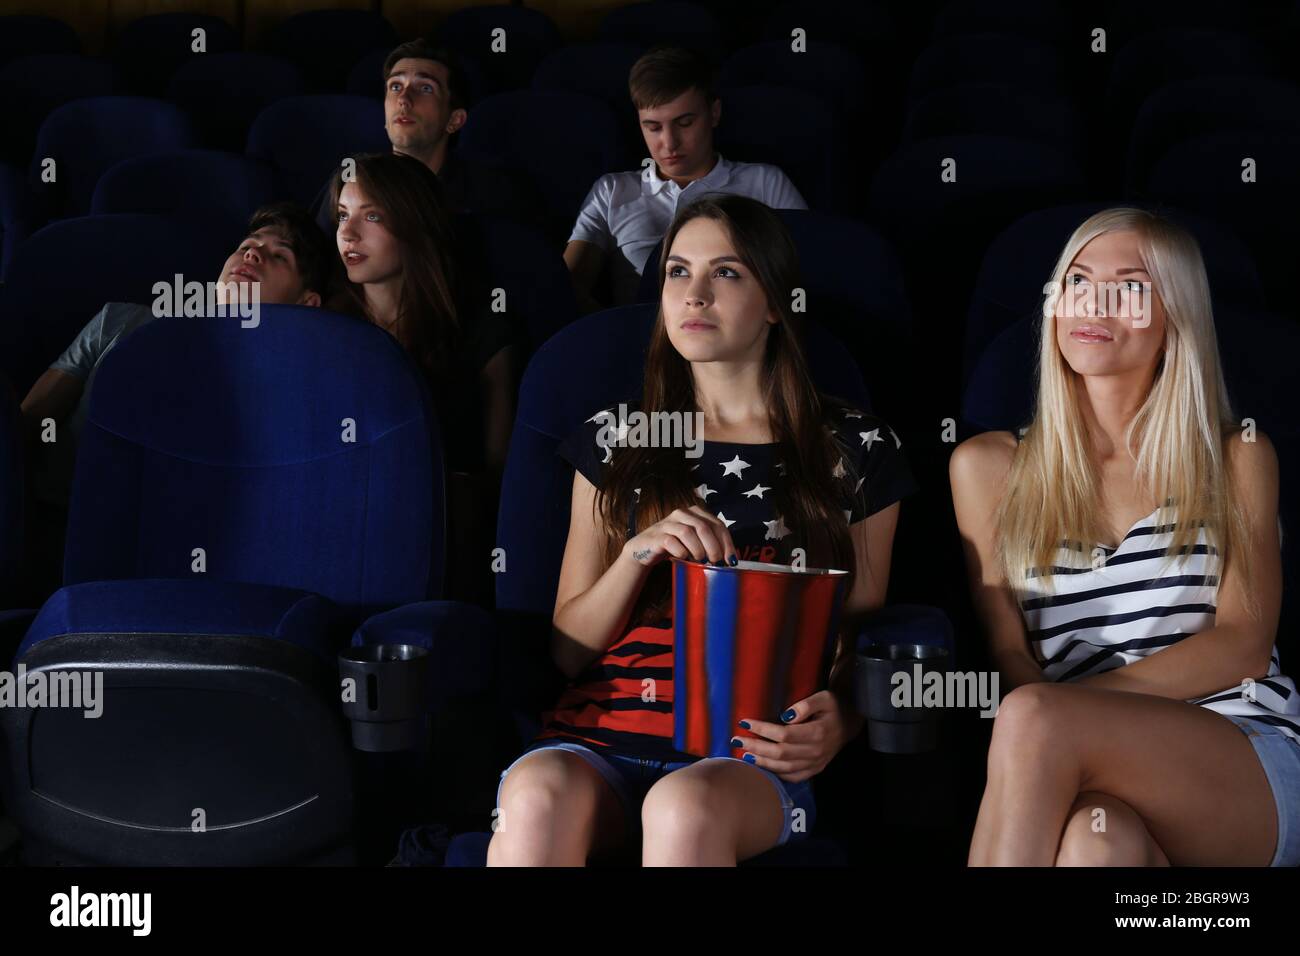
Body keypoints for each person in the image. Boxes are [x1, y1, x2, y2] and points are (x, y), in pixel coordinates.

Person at [488, 195, 917, 866]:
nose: (694, 293)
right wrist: (637, 554)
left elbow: (856, 637)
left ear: (776, 302)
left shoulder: (856, 447)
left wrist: (845, 719)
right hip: (600, 735)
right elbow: (569, 653)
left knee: (682, 807)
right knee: (535, 792)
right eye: (677, 272)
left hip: (744, 753)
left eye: (727, 273)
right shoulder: (616, 439)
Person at [950, 207, 1300, 866]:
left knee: (1029, 716)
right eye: (1077, 279)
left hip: (1239, 750)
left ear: (1175, 316)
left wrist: (1058, 714)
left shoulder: (1238, 455)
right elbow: (1010, 654)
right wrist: (1053, 719)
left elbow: (1245, 646)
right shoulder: (984, 467)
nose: (1094, 301)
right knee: (1095, 845)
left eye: (1130, 286)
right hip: (1078, 772)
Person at [19, 201, 337, 594]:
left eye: (278, 256)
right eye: (247, 245)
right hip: (47, 530)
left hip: (197, 567)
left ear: (307, 303)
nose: (252, 253)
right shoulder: (120, 322)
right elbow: (26, 426)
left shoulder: (297, 389)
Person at [329, 152, 523, 603]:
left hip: (441, 536)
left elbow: (498, 473)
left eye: (371, 215)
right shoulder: (324, 321)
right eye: (342, 215)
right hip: (335, 523)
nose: (348, 233)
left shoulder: (483, 327)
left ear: (415, 223)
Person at [565, 46, 808, 313]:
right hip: (636, 337)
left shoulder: (764, 182)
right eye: (653, 127)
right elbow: (567, 284)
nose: (669, 143)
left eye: (684, 123)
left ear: (714, 113)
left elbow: (803, 274)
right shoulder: (611, 191)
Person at [311, 39, 543, 235]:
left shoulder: (492, 192)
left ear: (455, 120)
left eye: (425, 88)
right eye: (395, 86)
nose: (403, 99)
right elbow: (312, 265)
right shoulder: (352, 181)